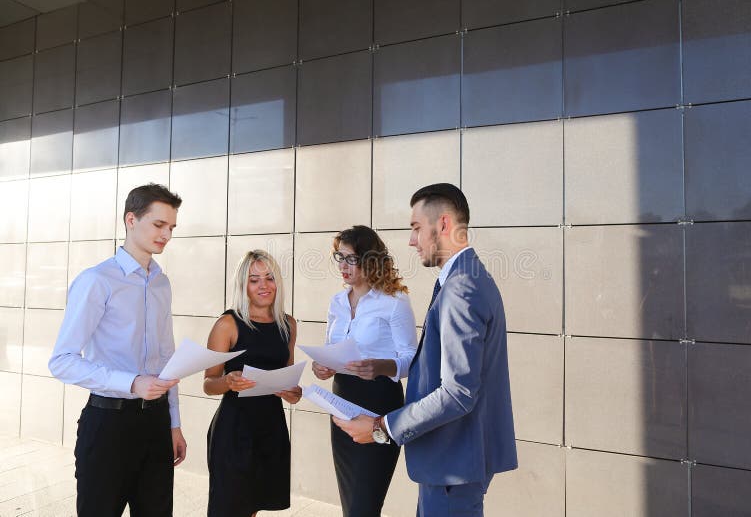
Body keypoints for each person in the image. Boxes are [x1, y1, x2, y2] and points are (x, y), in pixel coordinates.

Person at [333, 184, 518, 516]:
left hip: (453, 459)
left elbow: (458, 392)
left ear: (443, 224)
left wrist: (381, 427)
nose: (411, 240)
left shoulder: (461, 289)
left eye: (416, 228)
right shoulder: (464, 278)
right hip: (453, 458)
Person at [49, 183, 187, 517]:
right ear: (130, 219)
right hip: (108, 426)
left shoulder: (161, 283)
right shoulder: (97, 280)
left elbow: (167, 358)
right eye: (158, 224)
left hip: (155, 425)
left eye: (171, 227)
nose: (166, 234)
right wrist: (132, 382)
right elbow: (62, 362)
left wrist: (174, 423)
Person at [312, 225, 417, 516]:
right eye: (339, 257)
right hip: (341, 404)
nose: (343, 266)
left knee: (364, 505)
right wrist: (323, 367)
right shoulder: (337, 302)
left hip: (379, 406)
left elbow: (411, 358)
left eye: (350, 259)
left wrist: (381, 366)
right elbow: (330, 349)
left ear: (369, 260)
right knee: (351, 506)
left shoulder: (394, 301)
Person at [203, 249, 302, 517]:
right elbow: (208, 384)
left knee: (253, 508)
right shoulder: (228, 324)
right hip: (234, 431)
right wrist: (227, 381)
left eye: (269, 278)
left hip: (271, 429)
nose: (263, 286)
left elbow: (288, 378)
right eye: (254, 279)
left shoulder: (288, 325)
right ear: (243, 285)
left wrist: (294, 393)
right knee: (228, 509)